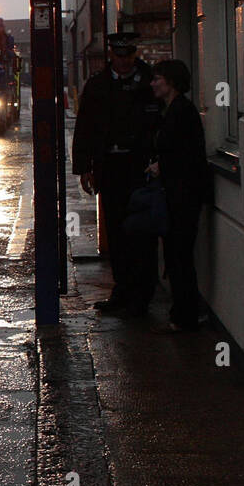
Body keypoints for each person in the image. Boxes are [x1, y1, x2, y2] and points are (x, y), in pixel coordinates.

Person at [71, 32, 162, 315]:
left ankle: (141, 296)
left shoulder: (150, 82)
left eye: (128, 55)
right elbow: (84, 127)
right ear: (111, 55)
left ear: (135, 54)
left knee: (142, 234)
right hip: (110, 166)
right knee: (117, 232)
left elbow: (162, 123)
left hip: (140, 167)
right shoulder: (97, 85)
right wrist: (84, 167)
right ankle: (122, 291)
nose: (124, 61)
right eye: (119, 56)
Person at [147, 59, 209, 333]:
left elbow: (187, 154)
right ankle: (183, 311)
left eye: (157, 79)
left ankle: (185, 315)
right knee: (176, 254)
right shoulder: (173, 109)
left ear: (170, 81)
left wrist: (161, 166)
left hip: (183, 195)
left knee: (179, 254)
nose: (152, 84)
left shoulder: (181, 111)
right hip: (178, 193)